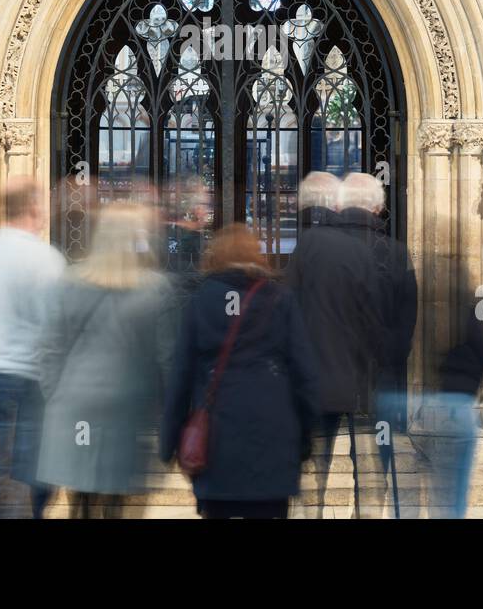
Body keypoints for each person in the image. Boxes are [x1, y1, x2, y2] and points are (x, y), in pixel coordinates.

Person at [160, 226, 320, 519]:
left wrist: (169, 440)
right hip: (273, 434)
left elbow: (180, 374)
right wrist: (305, 434)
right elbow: (305, 373)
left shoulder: (201, 300)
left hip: (217, 437)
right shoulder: (280, 299)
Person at [36, 202, 175, 518]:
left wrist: (56, 395)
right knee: (116, 498)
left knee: (80, 494)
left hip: (76, 405)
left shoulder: (71, 282)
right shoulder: (155, 288)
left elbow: (50, 350)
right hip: (126, 408)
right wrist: (168, 411)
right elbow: (166, 357)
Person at [284, 171, 380, 516]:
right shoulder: (360, 253)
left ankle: (312, 512)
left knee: (311, 462)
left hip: (308, 378)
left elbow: (287, 311)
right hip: (348, 380)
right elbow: (372, 322)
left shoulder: (308, 246)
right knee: (358, 458)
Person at [0, 178, 66, 519]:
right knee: (28, 476)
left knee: (15, 470)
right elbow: (57, 327)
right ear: (32, 207)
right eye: (41, 201)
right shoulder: (43, 258)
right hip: (31, 382)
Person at [335, 172, 417, 517]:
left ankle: (353, 503)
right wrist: (395, 354)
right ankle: (372, 505)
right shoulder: (396, 252)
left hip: (341, 363)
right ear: (378, 207)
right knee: (381, 441)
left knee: (347, 438)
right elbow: (408, 313)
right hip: (382, 365)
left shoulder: (327, 248)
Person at [427, 269, 483, 518]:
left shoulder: (470, 319)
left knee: (446, 481)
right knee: (455, 483)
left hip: (454, 404)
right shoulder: (476, 319)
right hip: (462, 405)